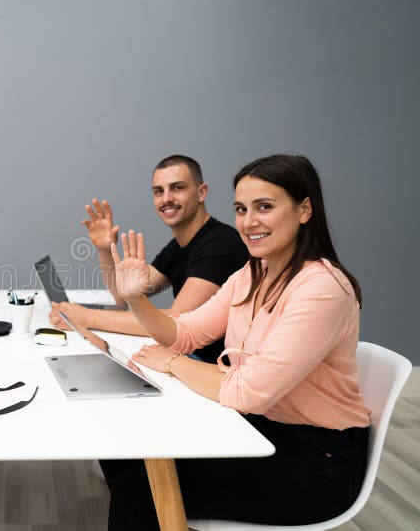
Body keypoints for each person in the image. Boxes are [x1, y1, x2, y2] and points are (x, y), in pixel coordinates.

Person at [101, 154, 371, 529]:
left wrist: (174, 362)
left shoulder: (322, 287)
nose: (248, 221)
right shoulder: (251, 273)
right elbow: (185, 331)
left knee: (140, 489)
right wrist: (136, 299)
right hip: (256, 425)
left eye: (264, 207)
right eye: (241, 209)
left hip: (317, 457)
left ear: (304, 209)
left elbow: (250, 391)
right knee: (125, 453)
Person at [49, 155, 248, 362]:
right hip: (186, 355)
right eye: (158, 191)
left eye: (177, 188)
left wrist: (87, 317)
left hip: (211, 367)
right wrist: (105, 249)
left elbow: (174, 322)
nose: (166, 198)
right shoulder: (179, 246)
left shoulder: (222, 245)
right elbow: (123, 295)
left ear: (201, 192)